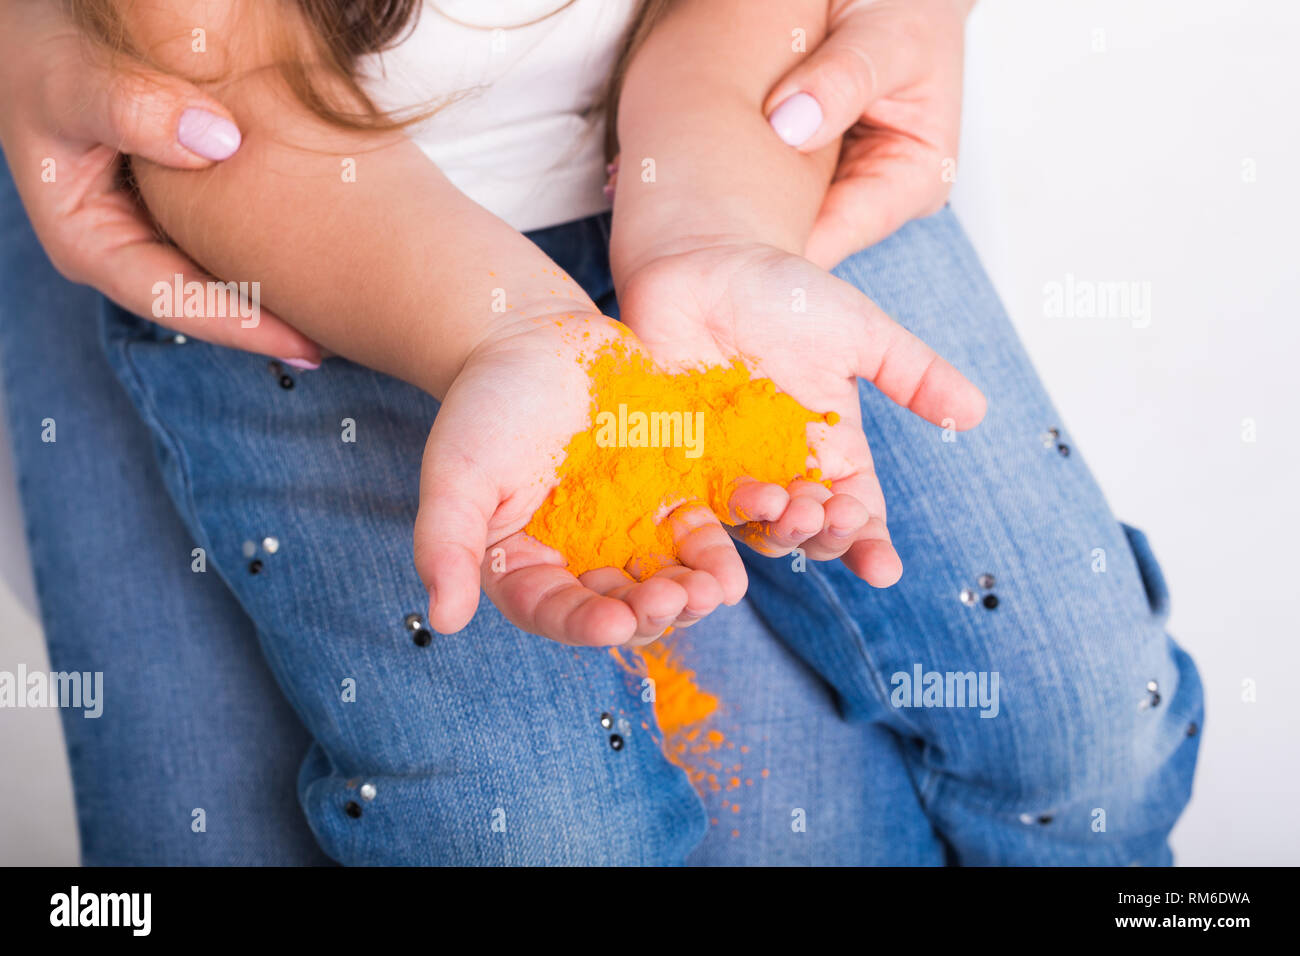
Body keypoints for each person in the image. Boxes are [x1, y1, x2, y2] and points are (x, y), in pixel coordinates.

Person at [0, 0, 1201, 865]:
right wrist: (505, 331)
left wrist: (716, 229)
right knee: (533, 820)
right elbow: (219, 115)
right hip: (318, 245)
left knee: (1087, 706)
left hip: (731, 153)